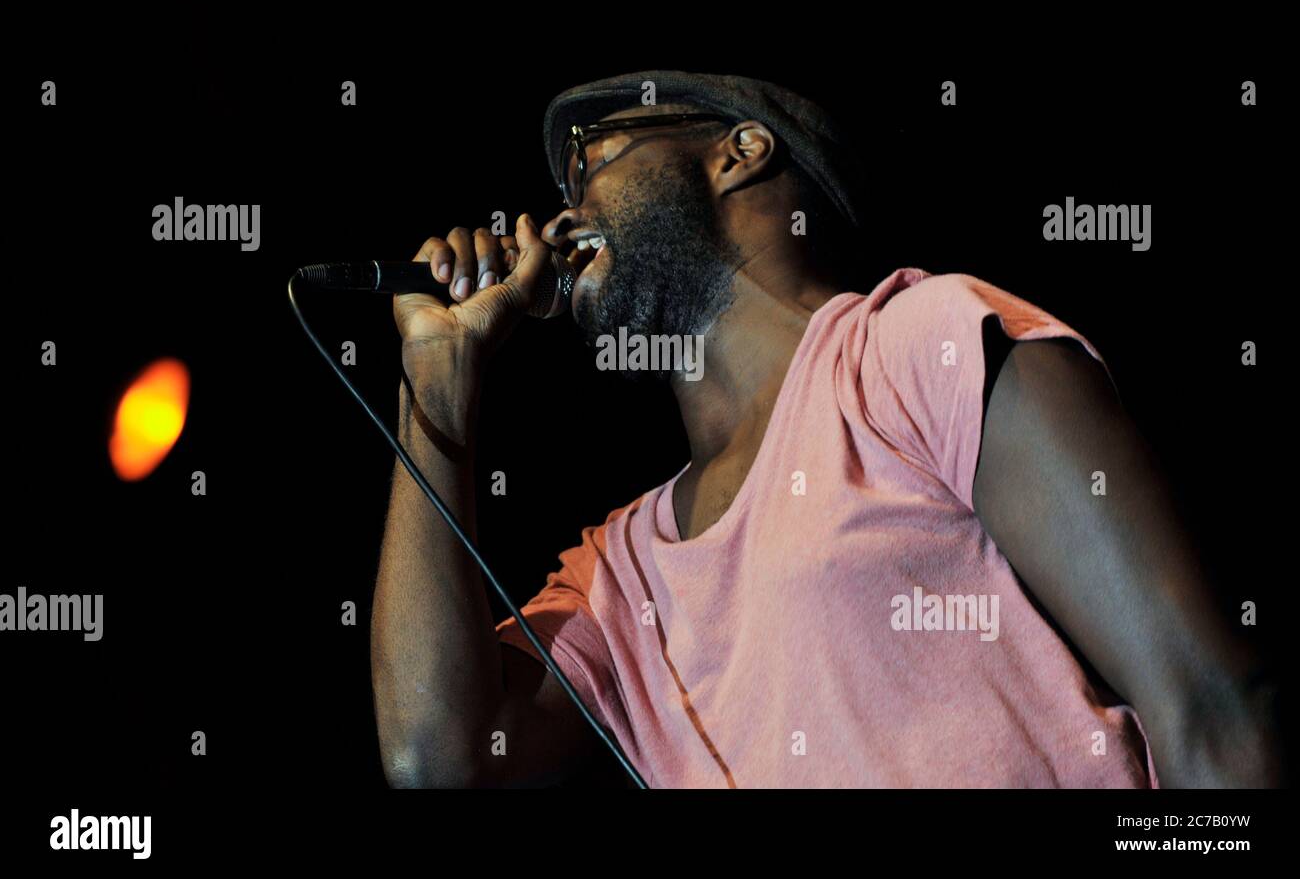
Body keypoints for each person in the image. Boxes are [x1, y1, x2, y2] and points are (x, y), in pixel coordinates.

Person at [370, 71, 1281, 788]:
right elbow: (436, 756)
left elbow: (1212, 709)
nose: (561, 204)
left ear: (739, 152)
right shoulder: (621, 575)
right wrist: (433, 389)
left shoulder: (919, 346)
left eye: (594, 156)